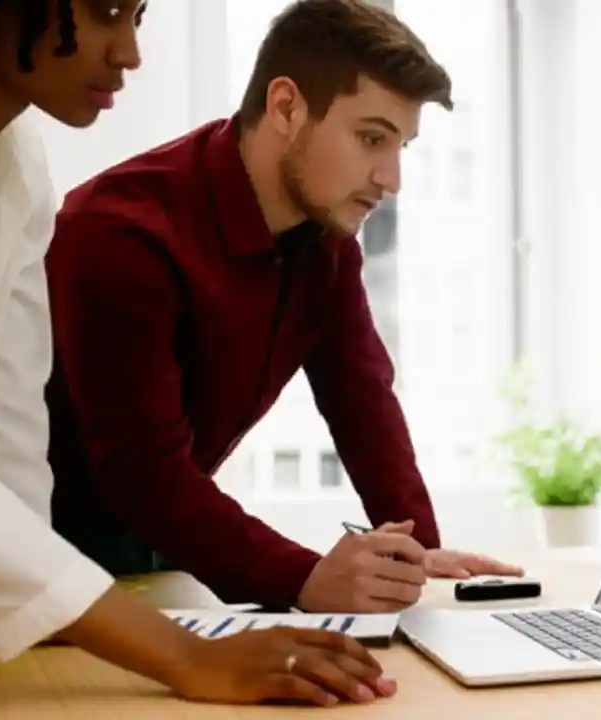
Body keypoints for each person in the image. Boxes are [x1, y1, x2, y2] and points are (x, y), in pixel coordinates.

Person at [0, 1, 395, 715]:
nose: (129, 53)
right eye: (107, 12)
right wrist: (188, 658)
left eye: (139, 17)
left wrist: (54, 610)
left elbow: (14, 432)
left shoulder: (14, 159)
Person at [45, 0, 522, 616]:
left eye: (401, 145)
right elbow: (144, 475)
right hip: (34, 571)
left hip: (163, 556)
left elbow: (363, 401)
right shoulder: (120, 234)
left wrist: (415, 555)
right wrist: (304, 578)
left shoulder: (325, 241)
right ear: (286, 107)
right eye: (372, 138)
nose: (392, 177)